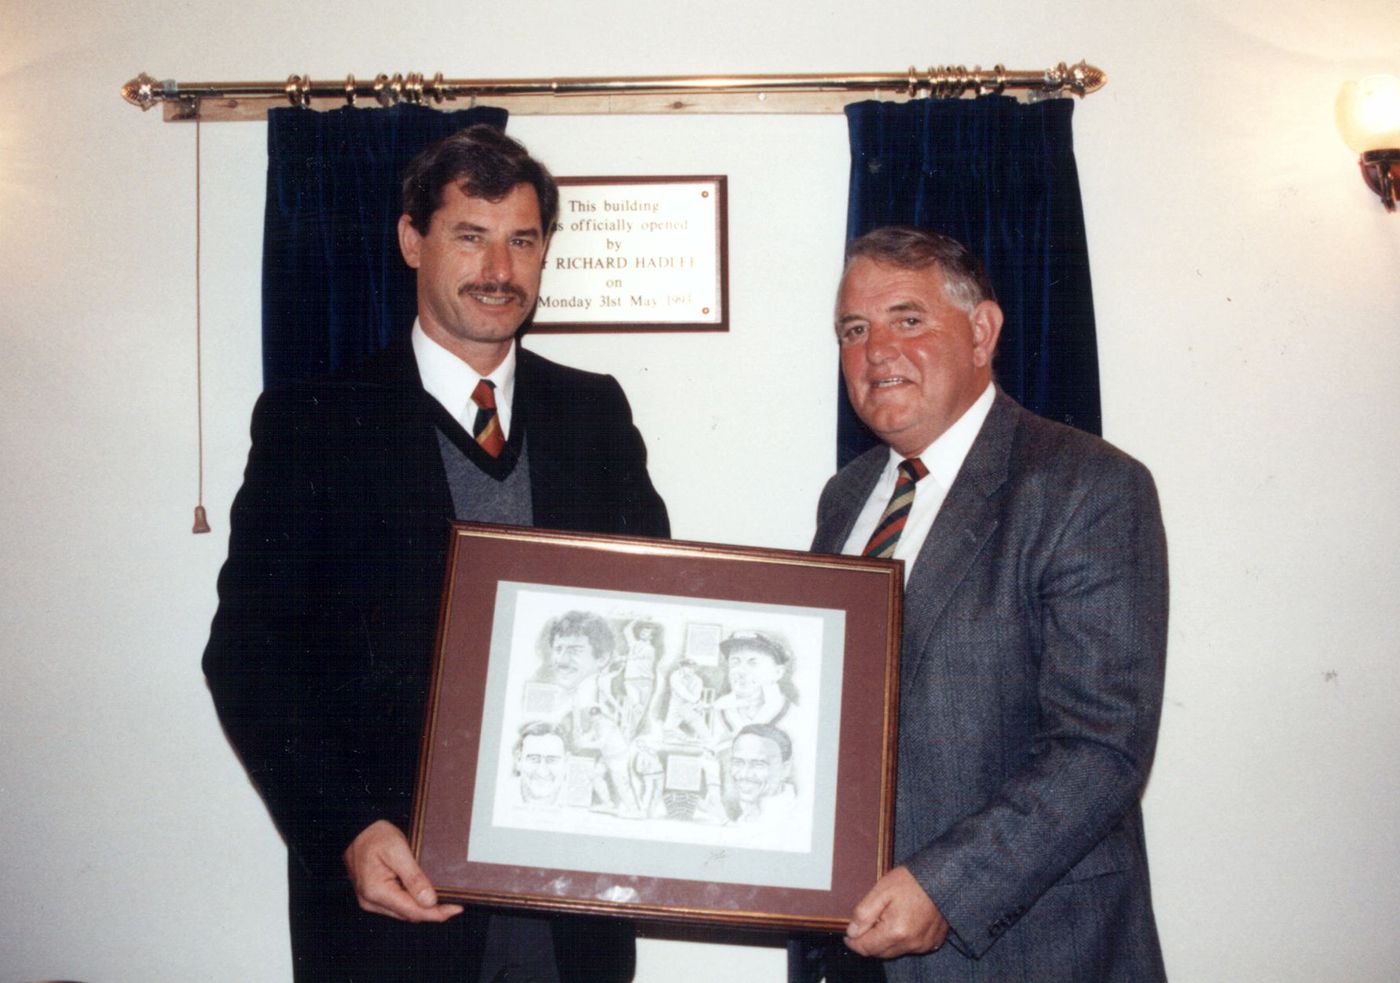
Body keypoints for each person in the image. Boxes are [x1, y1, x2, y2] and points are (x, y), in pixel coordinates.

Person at [203, 124, 668, 983]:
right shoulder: (315, 420)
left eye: (522, 240)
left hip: (570, 909)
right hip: (393, 911)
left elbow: (658, 621)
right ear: (412, 240)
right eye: (471, 235)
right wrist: (347, 829)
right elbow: (248, 655)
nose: (500, 268)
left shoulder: (594, 414)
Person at [806, 226, 1167, 982]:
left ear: (982, 331)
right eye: (854, 329)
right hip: (843, 943)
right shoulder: (847, 498)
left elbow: (1102, 746)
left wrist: (946, 883)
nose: (876, 351)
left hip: (1023, 949)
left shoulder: (1088, 487)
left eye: (908, 318)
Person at [710, 631, 795, 744]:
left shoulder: (793, 715)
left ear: (778, 673)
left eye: (753, 663)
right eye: (735, 662)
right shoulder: (716, 711)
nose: (741, 671)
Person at [727, 723, 798, 824]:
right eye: (738, 762)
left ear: (785, 769)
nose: (744, 774)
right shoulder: (749, 816)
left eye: (758, 765)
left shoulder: (791, 818)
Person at [513, 721, 569, 809]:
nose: (542, 771)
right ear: (518, 760)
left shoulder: (580, 802)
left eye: (552, 760)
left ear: (566, 763)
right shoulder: (500, 795)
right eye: (534, 759)